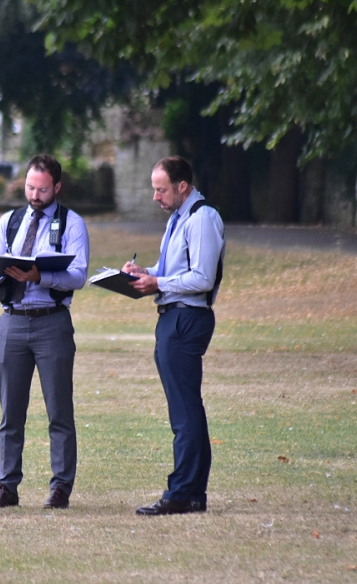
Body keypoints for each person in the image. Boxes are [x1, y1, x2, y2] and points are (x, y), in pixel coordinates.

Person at [0, 155, 89, 510]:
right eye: (30, 187)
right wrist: (1, 269)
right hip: (12, 320)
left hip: (51, 321)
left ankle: (61, 487)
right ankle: (6, 486)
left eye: (42, 189)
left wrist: (40, 276)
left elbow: (78, 275)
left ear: (57, 187)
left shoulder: (71, 223)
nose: (35, 194)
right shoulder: (10, 221)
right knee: (10, 412)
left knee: (59, 410)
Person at [123, 156, 225, 516]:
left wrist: (158, 282)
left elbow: (202, 278)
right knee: (186, 409)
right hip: (173, 317)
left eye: (161, 189)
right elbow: (172, 271)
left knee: (184, 412)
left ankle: (182, 491)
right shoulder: (177, 220)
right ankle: (193, 492)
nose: (155, 197)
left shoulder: (202, 218)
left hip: (187, 319)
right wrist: (143, 273)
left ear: (183, 186)